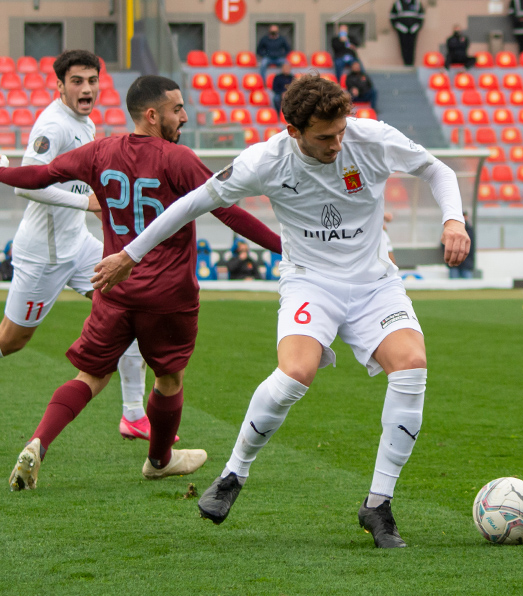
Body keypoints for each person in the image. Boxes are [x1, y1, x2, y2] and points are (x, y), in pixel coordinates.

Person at [92, 76, 471, 548]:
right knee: (295, 373)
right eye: (325, 137)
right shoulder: (266, 160)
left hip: (375, 283)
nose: (338, 144)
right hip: (310, 282)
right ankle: (233, 475)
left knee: (412, 366)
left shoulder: (369, 137)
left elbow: (438, 170)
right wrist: (130, 254)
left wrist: (453, 220)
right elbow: (191, 204)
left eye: (341, 131)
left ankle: (378, 504)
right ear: (293, 130)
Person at [4, 75, 281, 492]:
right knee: (169, 379)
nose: (184, 116)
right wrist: (285, 247)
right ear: (152, 115)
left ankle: (38, 442)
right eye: (176, 109)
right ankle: (159, 460)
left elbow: (40, 176)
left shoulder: (101, 150)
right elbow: (228, 212)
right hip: (168, 295)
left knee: (89, 376)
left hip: (114, 288)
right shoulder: (179, 158)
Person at [0, 49, 153, 442]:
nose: (87, 89)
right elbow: (25, 185)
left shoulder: (85, 122)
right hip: (44, 254)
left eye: (92, 81)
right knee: (12, 341)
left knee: (132, 309)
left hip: (78, 244)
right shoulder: (53, 126)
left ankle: (134, 416)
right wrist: (85, 203)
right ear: (60, 86)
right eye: (77, 81)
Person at [389, 0, 425, 67]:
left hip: (413, 29)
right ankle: (405, 63)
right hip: (402, 30)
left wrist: (416, 27)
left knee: (412, 46)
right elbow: (392, 17)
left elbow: (421, 16)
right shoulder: (398, 2)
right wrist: (400, 27)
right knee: (403, 46)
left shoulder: (416, 2)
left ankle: (411, 63)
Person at [446, 211, 475, 279]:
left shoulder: (469, 230)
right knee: (454, 283)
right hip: (454, 263)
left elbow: (471, 247)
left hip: (466, 263)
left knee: (468, 283)